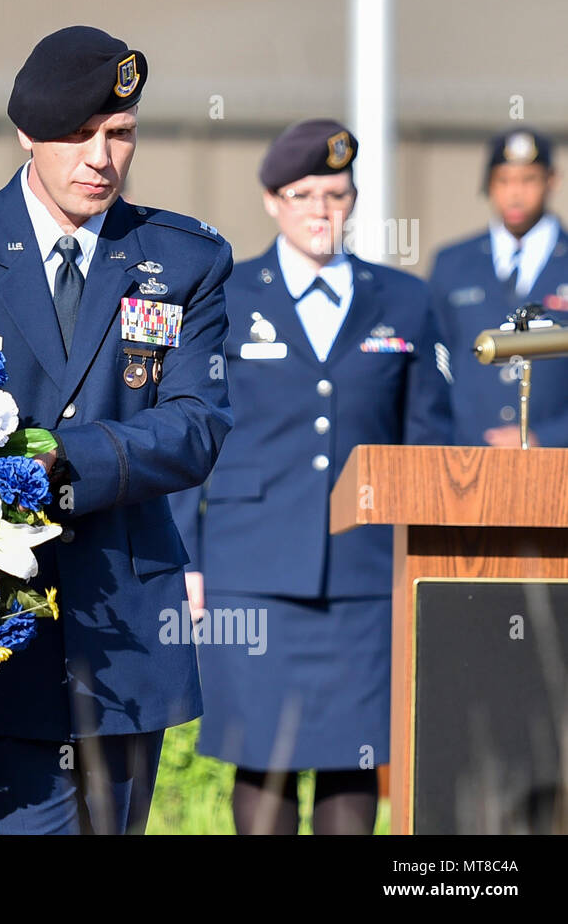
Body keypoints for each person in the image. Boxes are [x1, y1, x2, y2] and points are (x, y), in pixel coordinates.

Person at [0, 26, 233, 834]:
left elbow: (197, 423)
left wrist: (56, 463)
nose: (101, 158)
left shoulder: (184, 259)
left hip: (126, 632)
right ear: (26, 135)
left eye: (120, 134)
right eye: (78, 136)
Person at [168, 119, 453, 834]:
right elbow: (190, 438)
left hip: (367, 578)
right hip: (251, 572)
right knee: (261, 762)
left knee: (352, 765)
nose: (320, 210)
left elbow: (428, 442)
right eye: (303, 195)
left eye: (336, 193)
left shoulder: (405, 301)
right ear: (271, 201)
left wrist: (428, 566)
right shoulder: (225, 298)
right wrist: (186, 563)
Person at [428, 126, 568, 447]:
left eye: (528, 180)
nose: (515, 193)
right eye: (503, 181)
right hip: (467, 458)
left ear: (552, 181)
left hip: (557, 466)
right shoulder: (452, 264)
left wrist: (547, 438)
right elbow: (433, 366)